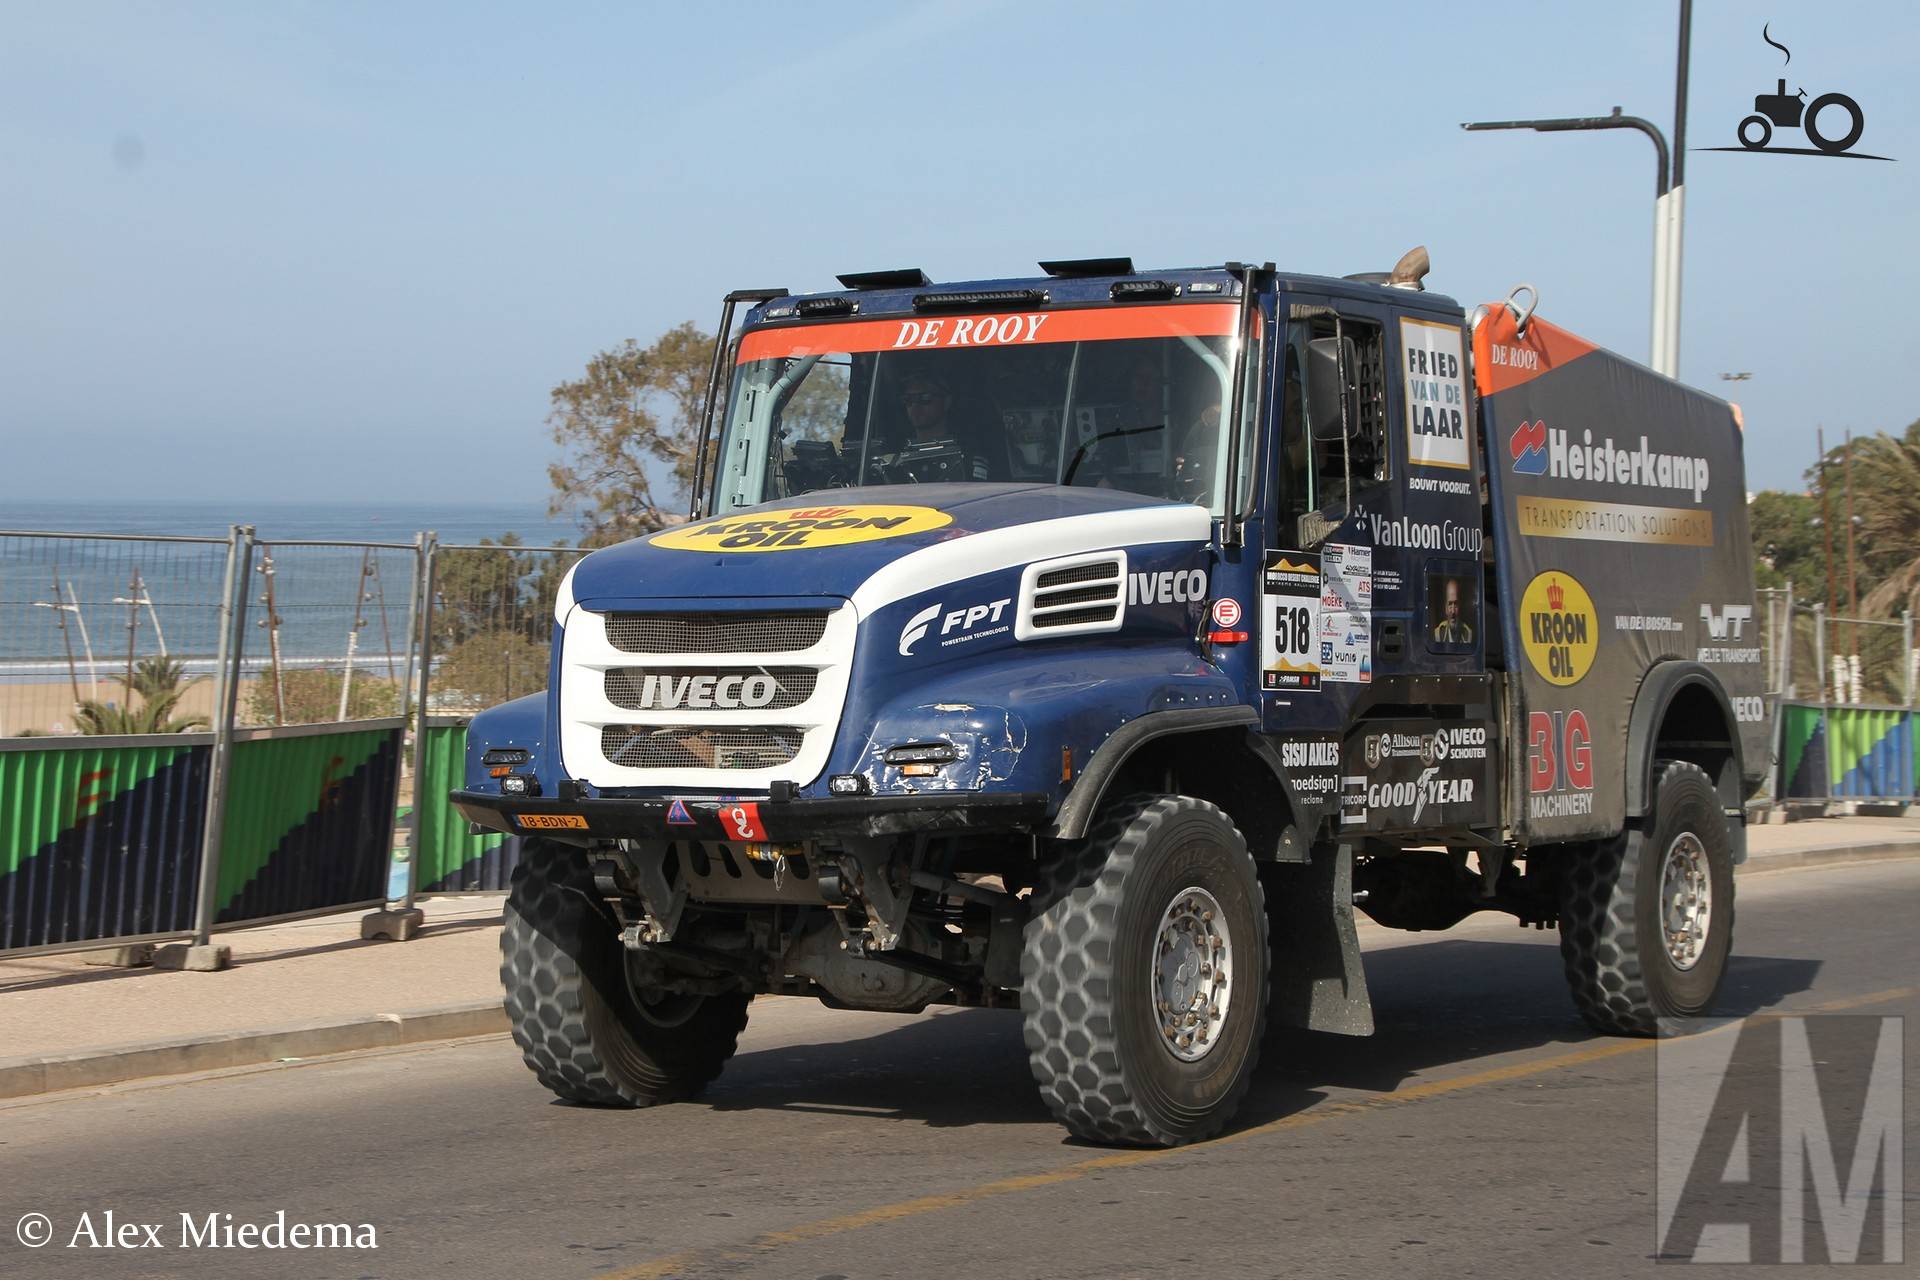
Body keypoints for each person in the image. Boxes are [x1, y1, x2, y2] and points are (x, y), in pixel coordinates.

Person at [1432, 576, 1475, 643]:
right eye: (1450, 604)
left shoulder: (1468, 634)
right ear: (1445, 607)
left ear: (1460, 605)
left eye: (1456, 604)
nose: (1453, 611)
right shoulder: (1439, 634)